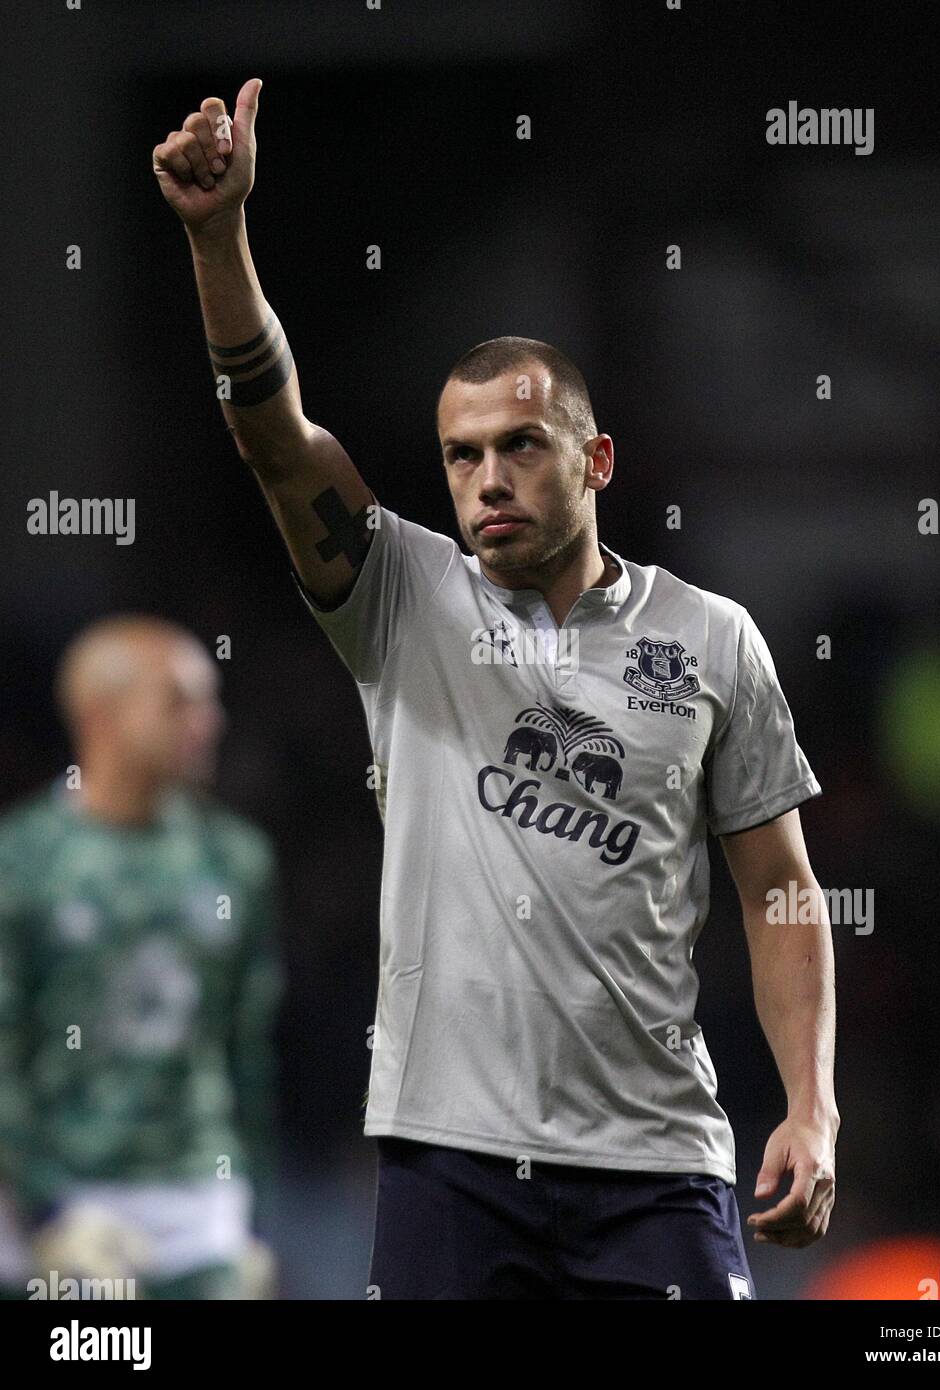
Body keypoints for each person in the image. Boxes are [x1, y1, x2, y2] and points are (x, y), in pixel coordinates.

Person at [152, 79, 839, 1300]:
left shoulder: (713, 637)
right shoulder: (404, 598)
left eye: (520, 445)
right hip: (450, 1161)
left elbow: (780, 889)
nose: (487, 480)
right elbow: (273, 432)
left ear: (596, 458)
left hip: (658, 1160)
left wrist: (813, 1107)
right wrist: (218, 236)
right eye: (462, 456)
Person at [0, 617, 282, 1299]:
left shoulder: (234, 860)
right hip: (54, 1200)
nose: (207, 722)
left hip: (194, 1204)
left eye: (208, 701)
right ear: (103, 715)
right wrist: (46, 1208)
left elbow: (246, 1047)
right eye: (178, 701)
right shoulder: (24, 860)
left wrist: (249, 1213)